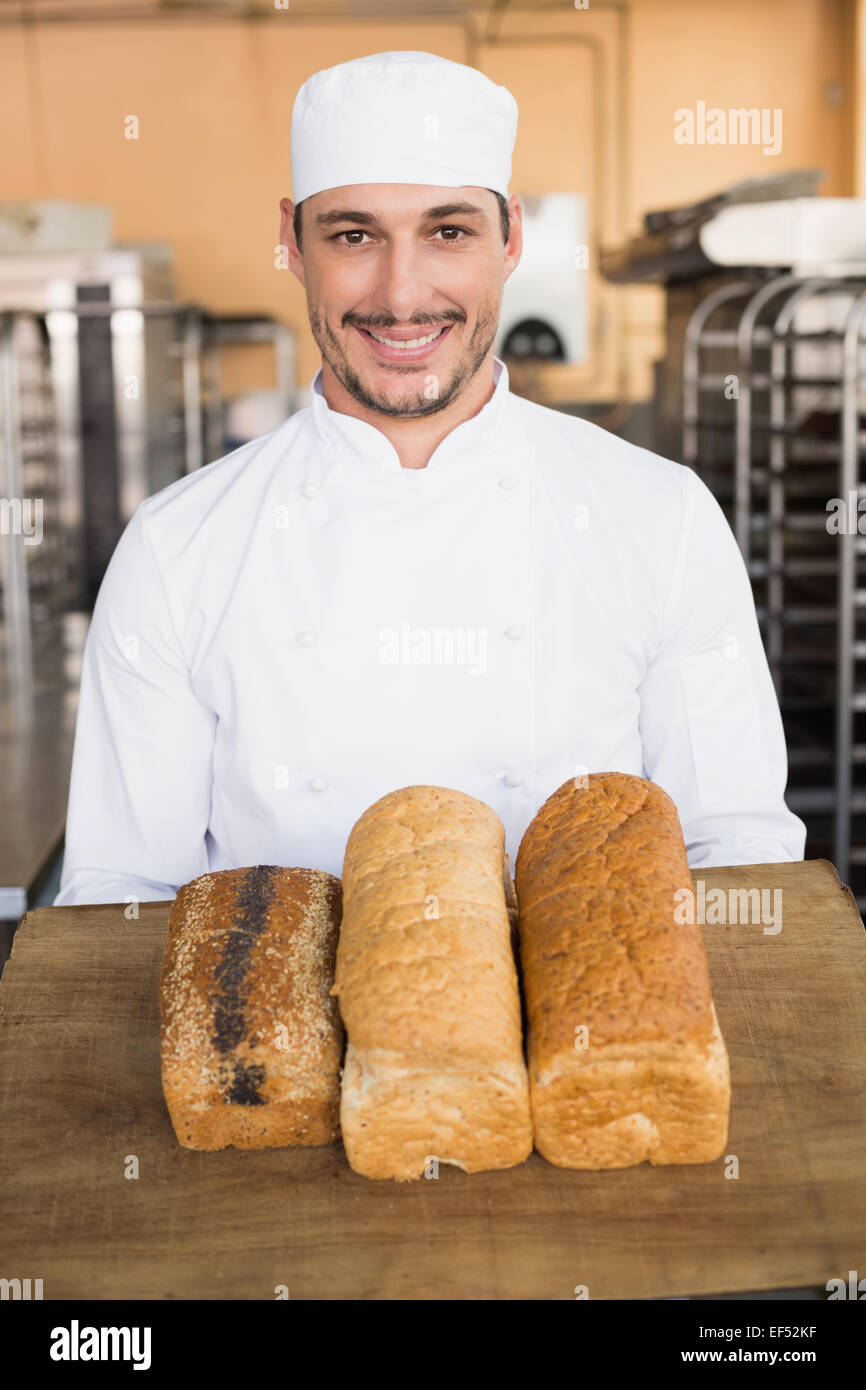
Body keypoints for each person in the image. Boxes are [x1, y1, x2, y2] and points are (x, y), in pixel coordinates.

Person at [54, 49, 805, 908]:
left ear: (512, 239)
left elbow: (737, 852)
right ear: (293, 244)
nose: (401, 294)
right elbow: (122, 896)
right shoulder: (175, 546)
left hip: (583, 1040)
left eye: (448, 231)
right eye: (353, 235)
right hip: (269, 1043)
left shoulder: (660, 517)